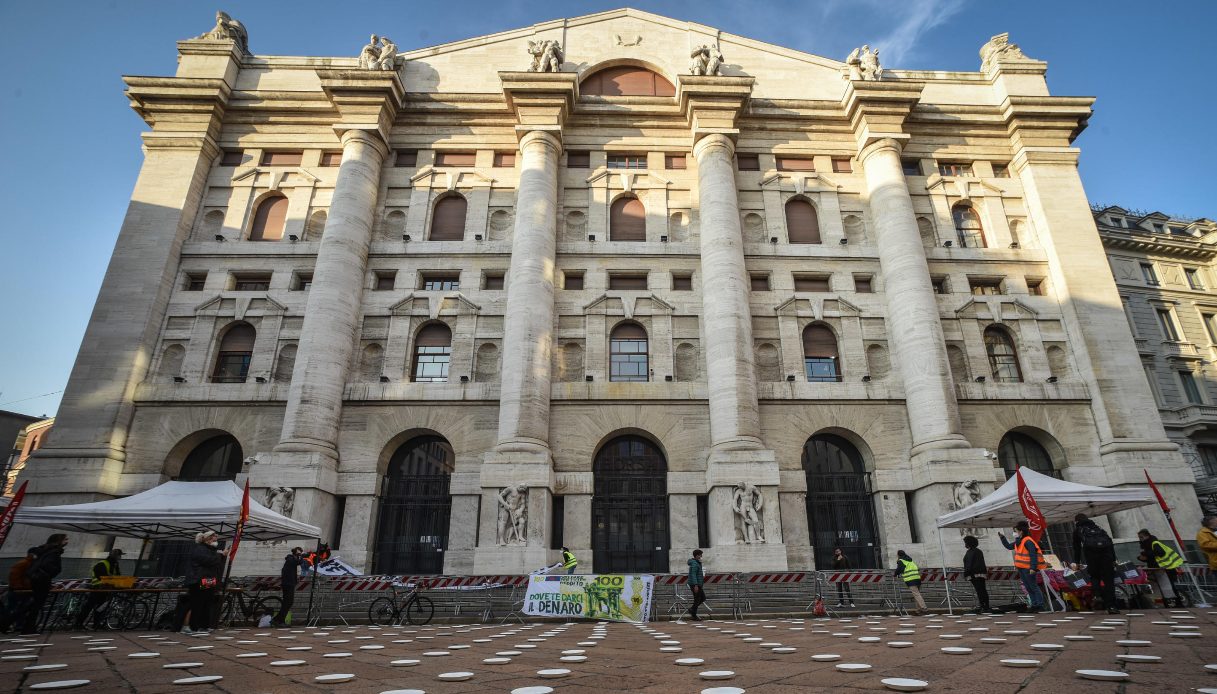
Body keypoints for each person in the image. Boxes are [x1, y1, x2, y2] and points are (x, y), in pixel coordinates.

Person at [20, 533, 68, 634]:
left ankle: (23, 625)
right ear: (58, 541)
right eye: (65, 539)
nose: (67, 541)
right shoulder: (54, 552)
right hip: (42, 581)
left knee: (33, 605)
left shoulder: (43, 550)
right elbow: (48, 566)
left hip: (36, 579)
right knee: (35, 605)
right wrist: (53, 571)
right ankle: (25, 626)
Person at [1071, 513, 1119, 614]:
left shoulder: (1078, 530)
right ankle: (1112, 606)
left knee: (1094, 576)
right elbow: (1110, 543)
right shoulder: (1098, 528)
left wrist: (1077, 562)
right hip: (1107, 556)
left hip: (1092, 557)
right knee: (1109, 581)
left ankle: (1098, 595)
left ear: (1076, 521)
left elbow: (1077, 548)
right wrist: (1114, 559)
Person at [182, 530, 227, 635]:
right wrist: (220, 555)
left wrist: (220, 555)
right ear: (208, 539)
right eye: (214, 537)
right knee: (198, 602)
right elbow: (209, 561)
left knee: (207, 602)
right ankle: (193, 627)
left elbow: (216, 564)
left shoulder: (211, 550)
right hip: (198, 579)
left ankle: (204, 626)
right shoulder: (200, 549)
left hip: (208, 579)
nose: (216, 539)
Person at [999, 521, 1046, 612]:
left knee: (1033, 586)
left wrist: (1033, 567)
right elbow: (1009, 546)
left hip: (1028, 568)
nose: (1014, 533)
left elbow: (1033, 555)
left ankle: (1040, 605)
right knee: (1028, 587)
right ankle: (1034, 604)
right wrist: (1002, 538)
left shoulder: (1027, 541)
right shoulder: (1019, 541)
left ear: (1021, 531)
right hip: (1021, 567)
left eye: (1015, 531)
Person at [75, 548, 124, 629]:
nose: (120, 558)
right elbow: (102, 577)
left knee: (100, 608)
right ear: (115, 556)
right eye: (119, 556)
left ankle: (97, 624)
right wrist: (113, 581)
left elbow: (117, 576)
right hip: (97, 589)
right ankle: (78, 624)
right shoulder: (102, 564)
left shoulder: (115, 565)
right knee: (89, 607)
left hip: (106, 590)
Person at [1137, 529, 1185, 608]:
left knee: (1170, 586)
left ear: (1147, 536)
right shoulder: (1146, 545)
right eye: (1139, 537)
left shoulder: (1154, 543)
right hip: (1159, 568)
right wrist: (1141, 558)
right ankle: (1170, 602)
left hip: (1166, 567)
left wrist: (1146, 554)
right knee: (1165, 586)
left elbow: (1160, 553)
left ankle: (1178, 602)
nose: (1140, 539)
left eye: (1141, 537)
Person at [0, 547, 37, 632]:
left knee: (17, 609)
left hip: (21, 590)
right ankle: (9, 625)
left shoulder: (27, 563)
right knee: (16, 609)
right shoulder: (25, 563)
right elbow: (15, 576)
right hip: (19, 590)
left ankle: (15, 625)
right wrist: (19, 587)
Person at [272, 547, 307, 627]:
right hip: (288, 584)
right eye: (299, 553)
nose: (300, 554)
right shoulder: (290, 559)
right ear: (295, 553)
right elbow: (299, 562)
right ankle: (278, 620)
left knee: (288, 603)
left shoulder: (292, 560)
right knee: (287, 602)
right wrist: (300, 556)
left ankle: (278, 620)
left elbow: (298, 562)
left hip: (290, 583)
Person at [962, 535, 990, 613]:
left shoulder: (972, 552)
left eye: (965, 543)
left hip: (975, 575)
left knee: (980, 591)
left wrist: (966, 573)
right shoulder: (976, 551)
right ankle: (984, 605)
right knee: (981, 590)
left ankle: (984, 606)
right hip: (977, 574)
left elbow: (969, 564)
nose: (965, 544)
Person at [894, 550, 926, 615]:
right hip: (917, 579)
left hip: (911, 580)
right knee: (916, 595)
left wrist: (895, 574)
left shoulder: (901, 561)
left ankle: (924, 607)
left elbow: (899, 569)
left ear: (898, 555)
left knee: (916, 594)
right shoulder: (910, 561)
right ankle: (918, 610)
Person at [686, 549, 707, 621]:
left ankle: (692, 610)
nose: (701, 556)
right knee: (698, 599)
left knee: (701, 598)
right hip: (696, 584)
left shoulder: (697, 563)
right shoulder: (694, 563)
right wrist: (695, 585)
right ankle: (693, 614)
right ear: (697, 555)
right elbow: (693, 574)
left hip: (698, 584)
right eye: (700, 555)